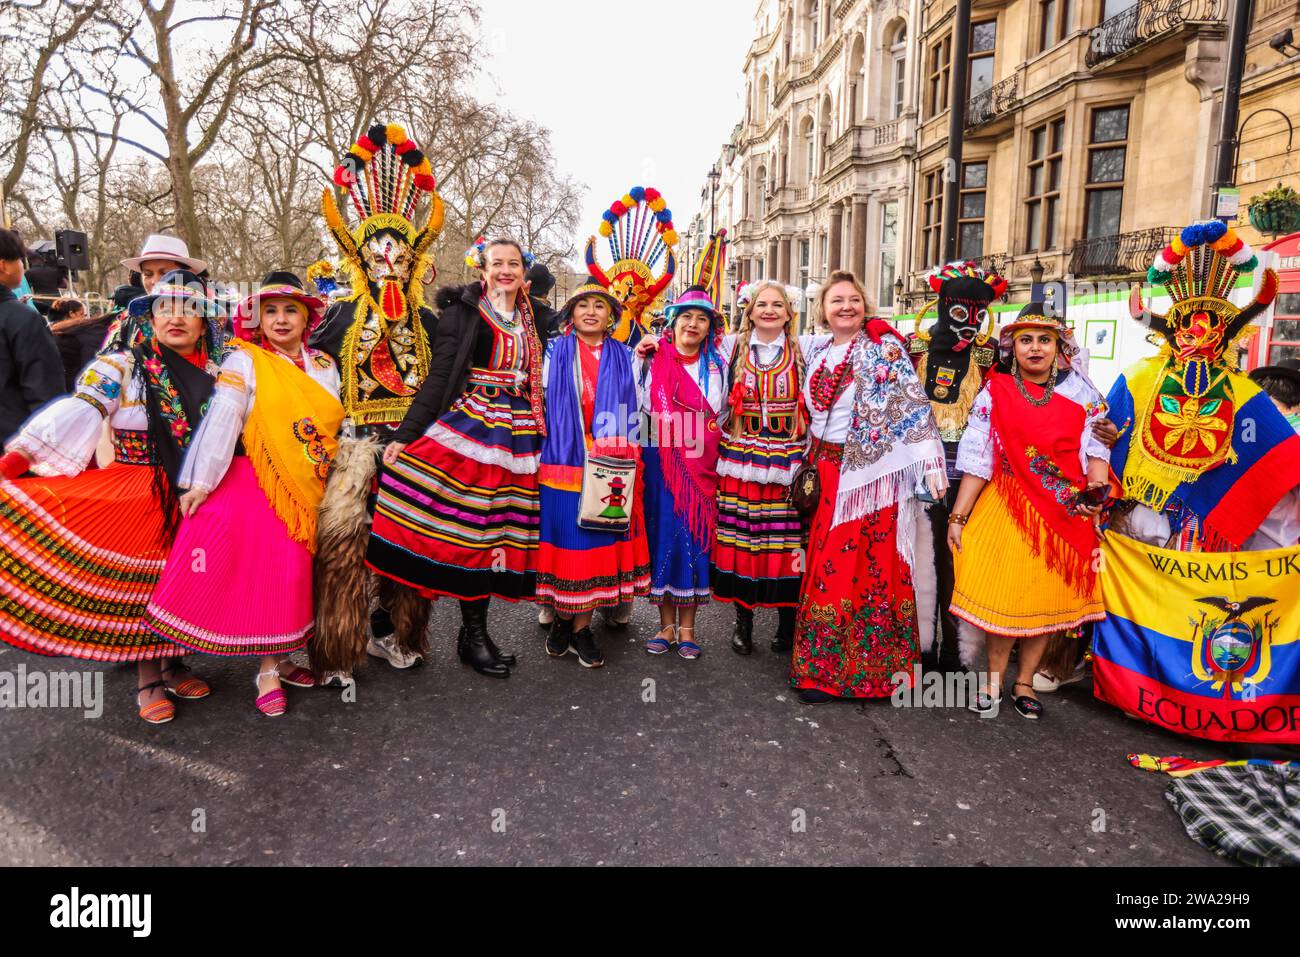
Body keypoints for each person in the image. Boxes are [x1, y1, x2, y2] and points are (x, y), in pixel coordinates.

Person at [0, 270, 225, 723]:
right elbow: (82, 410)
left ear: (205, 322)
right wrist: (13, 464)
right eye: (165, 308)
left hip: (199, 489)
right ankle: (149, 679)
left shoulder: (221, 372)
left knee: (184, 581)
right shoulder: (122, 366)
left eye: (189, 310)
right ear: (150, 318)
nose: (176, 318)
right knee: (145, 588)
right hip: (136, 490)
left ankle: (177, 661)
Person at [143, 272, 343, 716]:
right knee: (267, 574)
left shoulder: (326, 366)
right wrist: (201, 481)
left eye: (290, 310)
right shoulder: (244, 361)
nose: (280, 319)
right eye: (270, 311)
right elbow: (223, 419)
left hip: (313, 481)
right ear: (257, 320)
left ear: (307, 318)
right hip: (259, 481)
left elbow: (331, 425)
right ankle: (266, 671)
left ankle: (285, 658)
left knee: (295, 578)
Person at [367, 236, 548, 678]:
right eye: (497, 263)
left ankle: (474, 636)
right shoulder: (461, 314)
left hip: (519, 437)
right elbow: (441, 376)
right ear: (482, 270)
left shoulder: (537, 319)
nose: (506, 270)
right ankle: (386, 621)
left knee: (493, 536)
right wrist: (407, 435)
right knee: (446, 526)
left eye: (514, 263)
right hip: (473, 428)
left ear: (525, 272)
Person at [307, 123, 444, 687]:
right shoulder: (334, 321)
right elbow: (307, 383)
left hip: (413, 450)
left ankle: (397, 632)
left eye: (399, 254)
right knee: (343, 549)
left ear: (414, 261)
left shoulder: (432, 325)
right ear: (358, 260)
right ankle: (340, 646)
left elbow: (448, 387)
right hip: (351, 449)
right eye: (376, 253)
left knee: (409, 546)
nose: (389, 261)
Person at [947, 303, 1111, 719]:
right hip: (1007, 507)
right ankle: (993, 682)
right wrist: (959, 516)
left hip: (1061, 511)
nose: (1035, 348)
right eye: (1026, 340)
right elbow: (978, 456)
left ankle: (1024, 682)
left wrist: (1095, 497)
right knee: (1006, 598)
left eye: (1044, 340)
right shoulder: (995, 391)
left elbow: (1096, 452)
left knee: (1043, 603)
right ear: (1012, 347)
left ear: (1059, 346)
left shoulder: (1083, 393)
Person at [790, 271, 946, 704]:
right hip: (826, 472)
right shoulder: (818, 351)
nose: (846, 307)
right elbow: (755, 340)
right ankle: (825, 671)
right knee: (827, 565)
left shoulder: (884, 348)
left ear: (865, 305)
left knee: (872, 569)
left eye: (854, 299)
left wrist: (925, 461)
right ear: (822, 309)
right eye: (836, 300)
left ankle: (876, 675)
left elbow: (911, 405)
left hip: (870, 475)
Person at [1105, 221, 1300, 553]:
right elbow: (1103, 445)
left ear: (1226, 337)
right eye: (1187, 331)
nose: (1197, 342)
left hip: (1202, 532)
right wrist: (1105, 436)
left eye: (1211, 333)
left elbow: (1279, 460)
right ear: (1172, 333)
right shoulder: (1139, 377)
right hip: (1134, 522)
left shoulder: (1243, 392)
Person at [536, 278, 650, 667]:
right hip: (563, 461)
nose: (590, 311)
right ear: (570, 314)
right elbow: (540, 401)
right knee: (566, 544)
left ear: (610, 316)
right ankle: (562, 621)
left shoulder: (626, 355)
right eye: (582, 305)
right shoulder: (552, 350)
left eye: (599, 306)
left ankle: (579, 628)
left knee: (592, 548)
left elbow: (640, 406)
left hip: (609, 465)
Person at [906, 262, 1006, 672]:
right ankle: (921, 644)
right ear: (942, 309)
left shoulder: (989, 357)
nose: (967, 326)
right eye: (959, 315)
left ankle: (956, 650)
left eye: (977, 317)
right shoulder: (915, 350)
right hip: (917, 470)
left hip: (968, 474)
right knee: (919, 556)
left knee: (957, 559)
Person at [713, 280, 817, 656]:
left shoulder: (805, 348)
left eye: (777, 305)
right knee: (746, 536)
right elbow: (686, 348)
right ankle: (744, 621)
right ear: (749, 310)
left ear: (790, 312)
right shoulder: (731, 347)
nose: (769, 310)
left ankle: (788, 622)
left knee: (790, 540)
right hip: (742, 455)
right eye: (762, 304)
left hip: (788, 455)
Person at [639, 285, 727, 660]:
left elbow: (720, 416)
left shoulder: (718, 365)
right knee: (664, 537)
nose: (693, 324)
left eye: (701, 318)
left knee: (692, 540)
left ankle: (688, 629)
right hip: (661, 462)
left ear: (709, 327)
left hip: (701, 464)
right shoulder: (650, 358)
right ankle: (665, 626)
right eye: (686, 316)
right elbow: (640, 409)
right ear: (673, 322)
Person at [0, 227, 63, 442]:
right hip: (15, 452)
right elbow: (45, 394)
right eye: (19, 260)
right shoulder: (22, 319)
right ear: (3, 265)